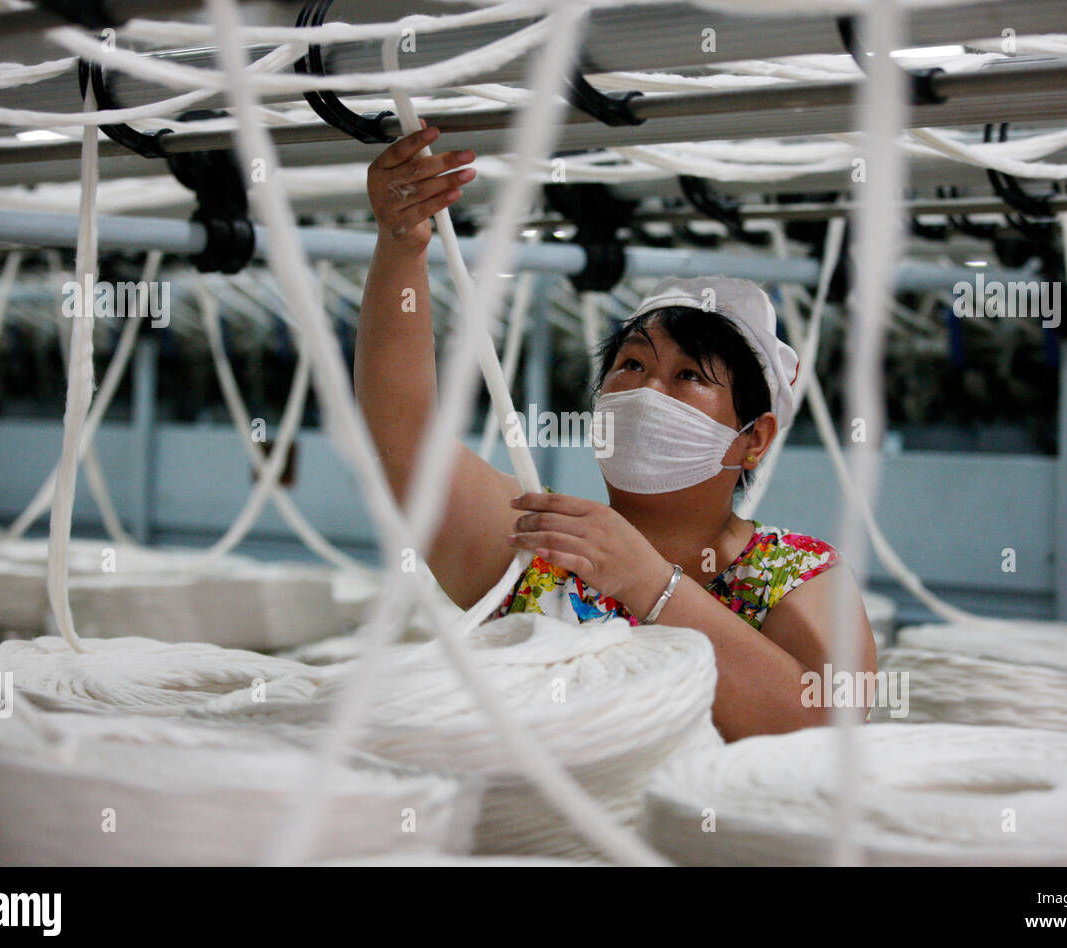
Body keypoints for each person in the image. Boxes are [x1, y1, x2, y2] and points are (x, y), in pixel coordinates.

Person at [355, 125, 877, 741]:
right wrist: (400, 250)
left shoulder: (796, 577)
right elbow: (403, 440)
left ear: (755, 437)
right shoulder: (537, 545)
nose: (648, 391)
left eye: (688, 376)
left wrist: (649, 583)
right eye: (632, 365)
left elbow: (825, 726)